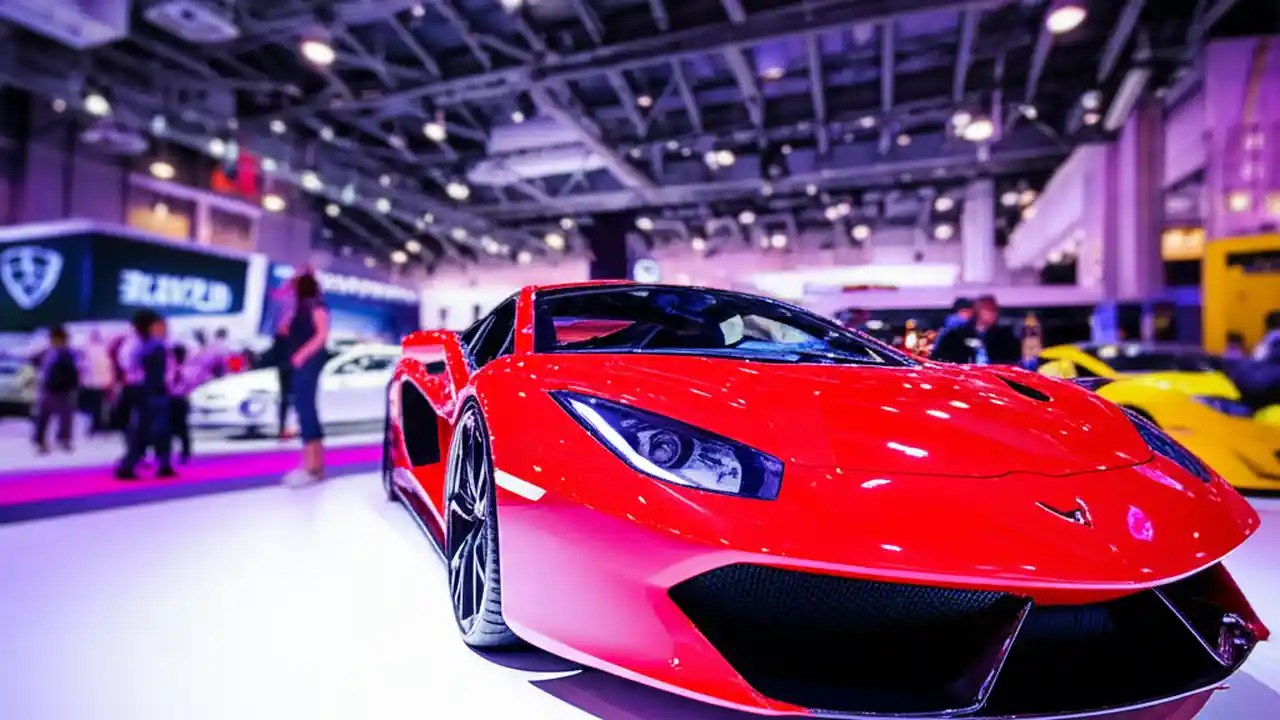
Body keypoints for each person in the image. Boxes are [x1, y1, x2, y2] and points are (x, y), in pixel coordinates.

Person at [280, 273, 331, 487]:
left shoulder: (316, 306)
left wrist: (302, 355)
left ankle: (312, 466)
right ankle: (314, 466)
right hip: (300, 362)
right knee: (304, 410)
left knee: (306, 410)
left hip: (307, 362)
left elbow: (322, 335)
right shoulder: (298, 309)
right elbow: (282, 326)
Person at [116, 311, 176, 480]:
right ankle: (132, 464)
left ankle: (150, 463)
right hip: (152, 391)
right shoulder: (153, 345)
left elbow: (127, 366)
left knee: (148, 430)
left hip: (143, 389)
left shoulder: (134, 344)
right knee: (152, 430)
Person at [932, 295, 1022, 366]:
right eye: (988, 310)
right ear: (978, 310)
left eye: (994, 310)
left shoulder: (1005, 337)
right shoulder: (955, 336)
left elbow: (1011, 361)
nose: (992, 314)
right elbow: (943, 359)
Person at [33, 325, 79, 454]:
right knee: (43, 416)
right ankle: (40, 441)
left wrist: (71, 385)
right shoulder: (48, 353)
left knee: (65, 417)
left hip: (62, 389)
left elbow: (72, 372)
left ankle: (64, 439)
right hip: (49, 388)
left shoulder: (67, 354)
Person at [79, 330, 114, 435]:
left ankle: (95, 426)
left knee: (94, 407)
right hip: (100, 383)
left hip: (91, 383)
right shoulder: (103, 350)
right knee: (99, 406)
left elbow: (83, 367)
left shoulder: (88, 350)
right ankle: (99, 426)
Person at [169, 344, 195, 465]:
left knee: (182, 428)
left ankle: (185, 452)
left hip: (179, 399)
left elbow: (189, 384)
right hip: (173, 399)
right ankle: (179, 452)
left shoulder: (185, 369)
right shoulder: (171, 368)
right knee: (174, 428)